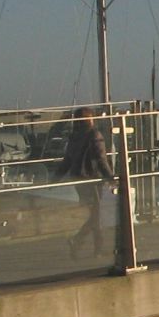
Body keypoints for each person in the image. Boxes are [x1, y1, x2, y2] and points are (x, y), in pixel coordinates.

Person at [58, 107, 115, 257]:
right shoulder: (94, 135)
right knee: (96, 214)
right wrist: (111, 178)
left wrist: (55, 178)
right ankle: (80, 240)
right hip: (92, 178)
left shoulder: (74, 137)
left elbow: (67, 160)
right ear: (89, 119)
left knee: (95, 213)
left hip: (78, 178)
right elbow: (101, 159)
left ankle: (97, 248)